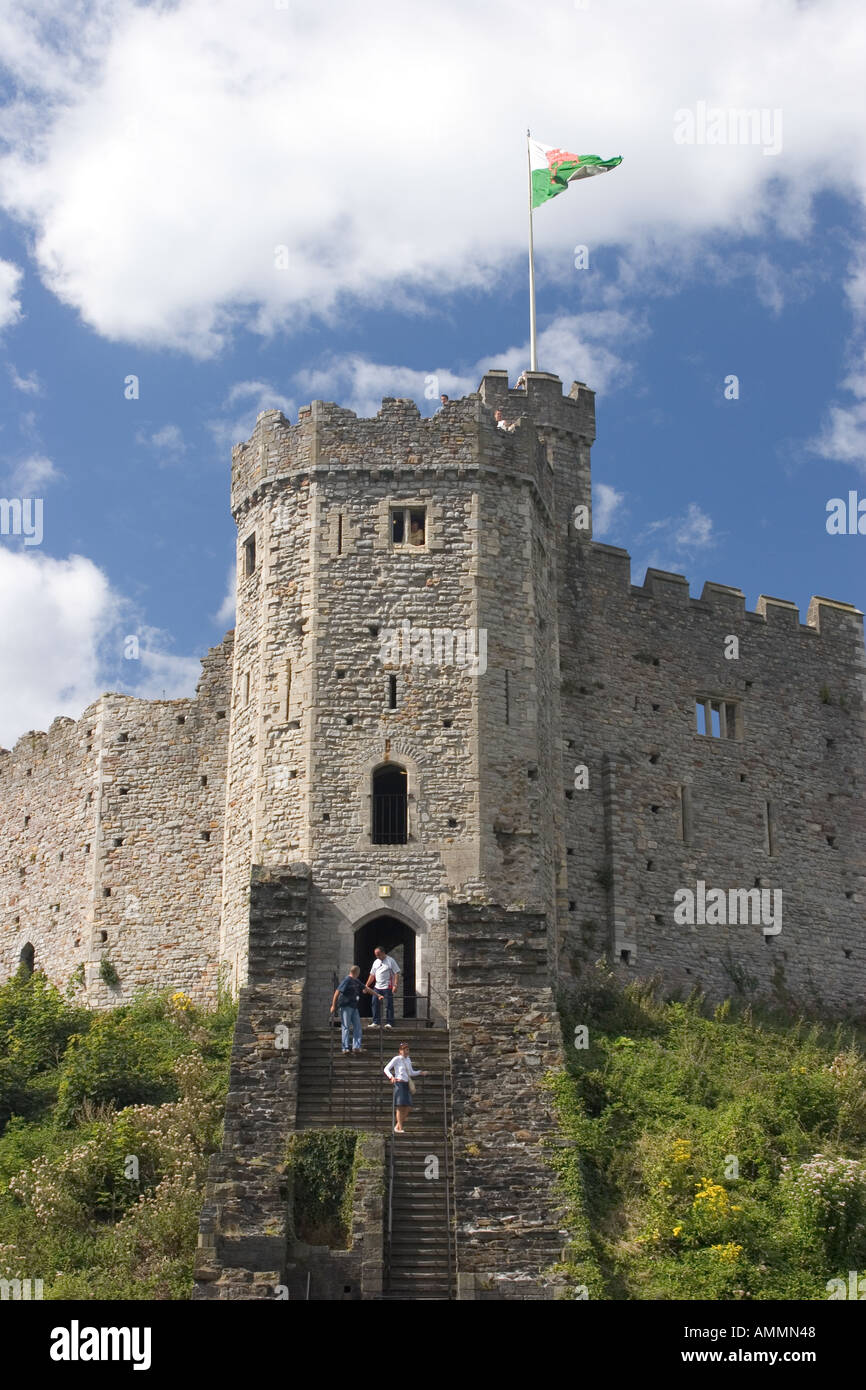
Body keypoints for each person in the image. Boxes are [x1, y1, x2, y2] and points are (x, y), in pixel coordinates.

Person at [384, 1042, 429, 1133]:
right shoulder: (396, 1059)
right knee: (400, 1106)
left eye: (407, 1049)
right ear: (400, 1051)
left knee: (408, 1106)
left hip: (406, 1084)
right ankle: (400, 1127)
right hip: (399, 1083)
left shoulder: (408, 1059)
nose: (406, 1051)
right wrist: (391, 1077)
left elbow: (411, 1072)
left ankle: (397, 1126)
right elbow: (386, 1068)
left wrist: (420, 1072)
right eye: (404, 1049)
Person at [330, 965, 370, 1054]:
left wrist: (377, 995)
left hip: (354, 1007)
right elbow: (337, 992)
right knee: (346, 1027)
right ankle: (345, 1048)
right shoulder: (347, 980)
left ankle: (356, 1047)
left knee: (358, 1026)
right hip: (346, 1006)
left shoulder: (356, 981)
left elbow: (366, 988)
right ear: (357, 972)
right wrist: (333, 1005)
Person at [366, 946, 400, 1028]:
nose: (377, 956)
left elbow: (396, 973)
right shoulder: (375, 962)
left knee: (388, 1004)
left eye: (378, 954)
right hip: (377, 987)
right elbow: (372, 975)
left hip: (387, 986)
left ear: (383, 953)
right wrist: (366, 985)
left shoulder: (390, 961)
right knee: (374, 1003)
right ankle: (376, 1022)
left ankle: (390, 1022)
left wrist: (395, 985)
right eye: (376, 955)